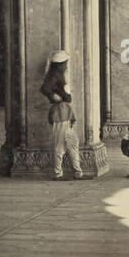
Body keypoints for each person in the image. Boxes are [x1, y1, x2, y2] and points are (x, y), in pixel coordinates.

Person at [39, 49, 82, 180]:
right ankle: (59, 173)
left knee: (72, 143)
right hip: (60, 112)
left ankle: (76, 171)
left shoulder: (59, 74)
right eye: (66, 63)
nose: (67, 65)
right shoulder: (55, 74)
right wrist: (54, 96)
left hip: (64, 112)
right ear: (61, 63)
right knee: (61, 145)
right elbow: (44, 88)